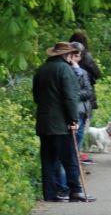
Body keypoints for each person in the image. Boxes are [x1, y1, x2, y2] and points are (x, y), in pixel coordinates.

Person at [33, 42, 95, 202]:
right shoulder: (65, 70)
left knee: (48, 159)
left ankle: (50, 193)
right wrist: (73, 119)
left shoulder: (41, 70)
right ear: (65, 55)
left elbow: (36, 97)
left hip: (44, 121)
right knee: (70, 157)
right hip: (62, 123)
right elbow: (70, 97)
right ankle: (75, 190)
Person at [70, 30, 101, 164]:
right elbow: (97, 73)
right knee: (82, 125)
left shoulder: (66, 57)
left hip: (71, 95)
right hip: (85, 94)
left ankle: (75, 153)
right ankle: (77, 154)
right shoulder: (86, 57)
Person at [70, 41, 94, 169]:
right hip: (74, 112)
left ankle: (75, 169)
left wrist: (74, 95)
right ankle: (73, 173)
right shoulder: (67, 70)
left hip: (82, 111)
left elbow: (88, 92)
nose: (77, 58)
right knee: (72, 146)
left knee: (77, 143)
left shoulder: (82, 72)